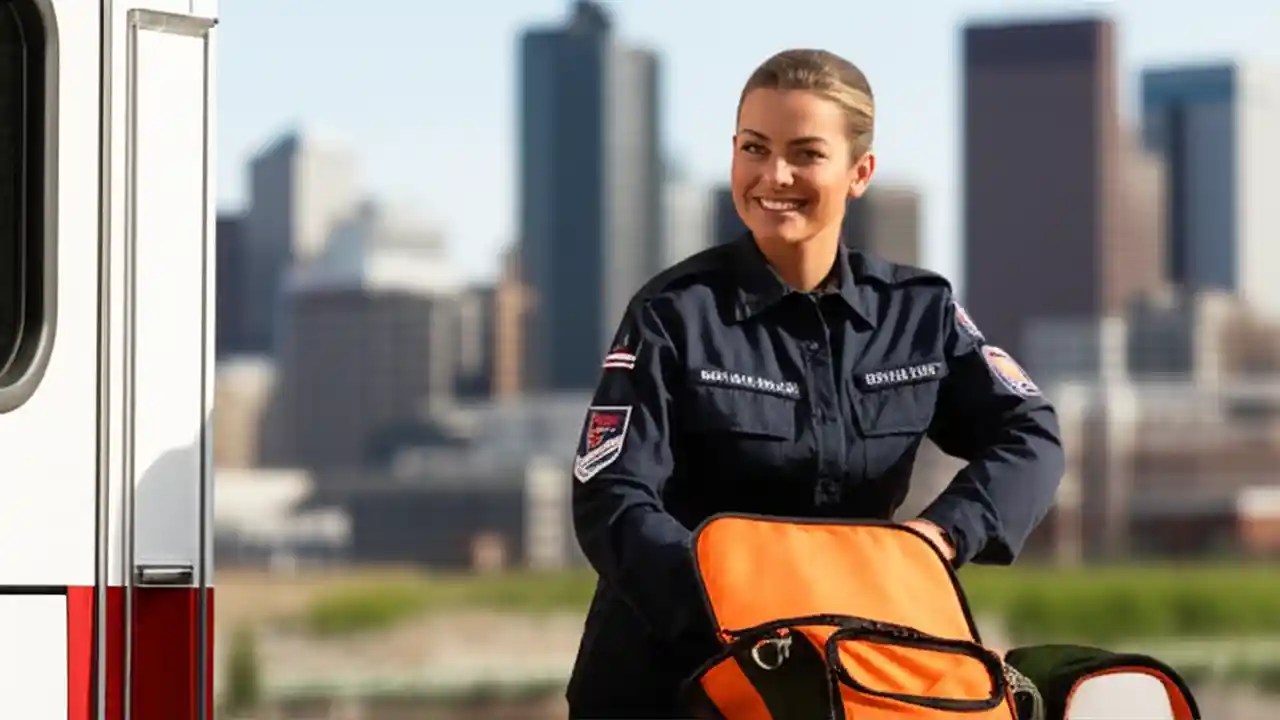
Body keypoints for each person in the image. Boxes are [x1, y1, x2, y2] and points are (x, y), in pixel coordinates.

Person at [565, 48, 1065, 719]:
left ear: (860, 172)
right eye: (754, 147)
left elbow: (1031, 433)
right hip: (674, 684)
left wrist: (942, 537)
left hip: (858, 681)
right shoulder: (673, 314)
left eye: (805, 153)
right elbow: (611, 493)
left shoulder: (919, 312)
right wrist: (735, 607)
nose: (774, 175)